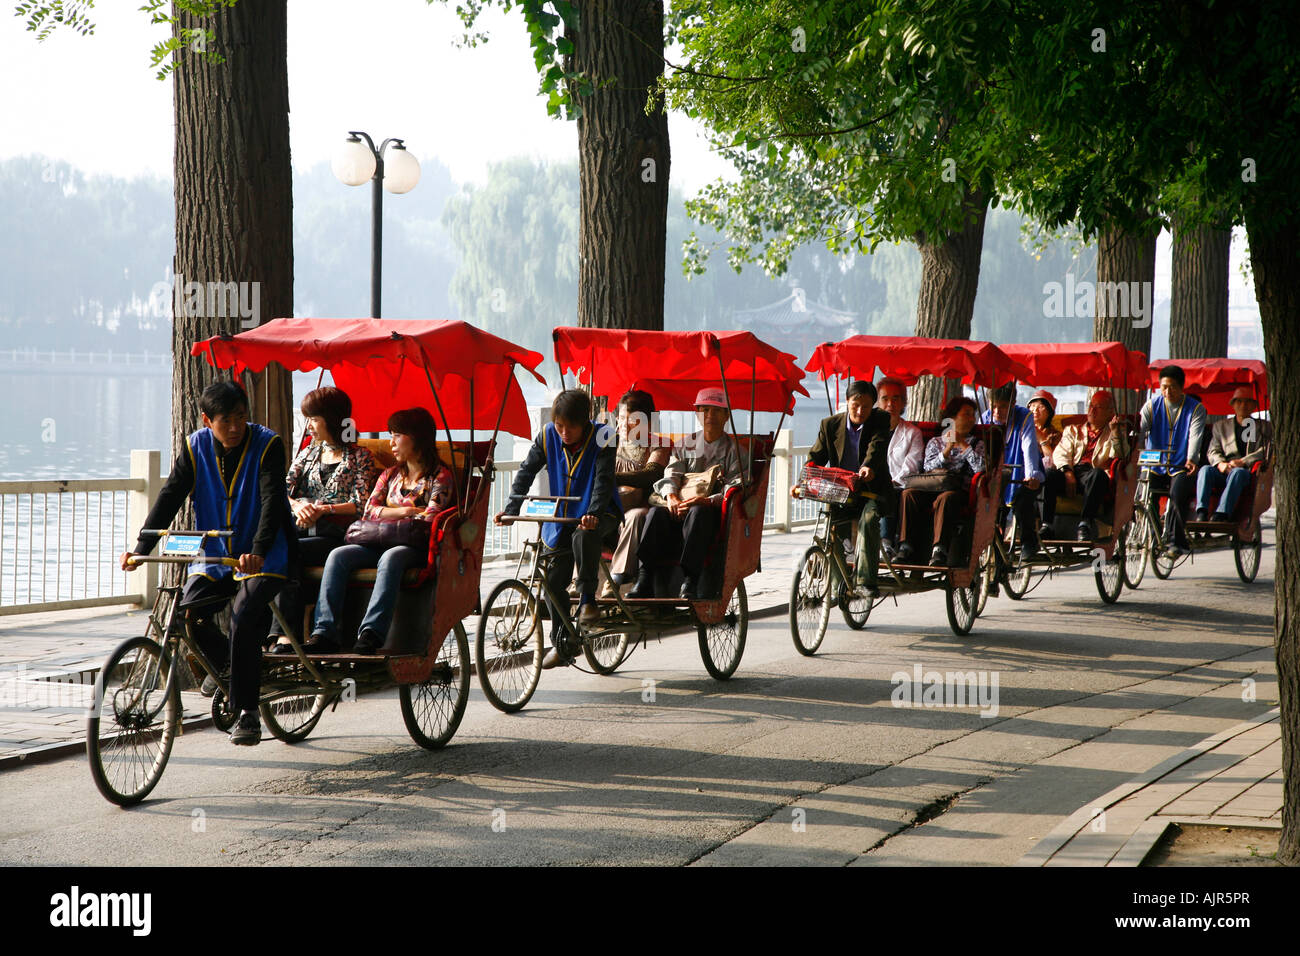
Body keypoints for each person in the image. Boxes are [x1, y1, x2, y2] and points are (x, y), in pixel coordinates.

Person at [119, 381, 293, 747]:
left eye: (241, 418)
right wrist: (140, 546)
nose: (235, 428)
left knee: (243, 615)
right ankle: (233, 673)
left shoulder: (268, 445)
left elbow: (272, 499)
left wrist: (259, 548)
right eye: (226, 421)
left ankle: (247, 713)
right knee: (186, 615)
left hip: (263, 553)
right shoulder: (195, 447)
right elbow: (170, 496)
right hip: (215, 554)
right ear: (206, 420)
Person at [305, 407, 452, 655]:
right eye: (390, 435)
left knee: (391, 557)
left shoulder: (440, 477)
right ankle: (324, 631)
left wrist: (390, 512)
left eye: (397, 435)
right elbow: (369, 510)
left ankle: (371, 633)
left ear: (417, 437)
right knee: (338, 556)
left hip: (411, 546)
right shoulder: (391, 474)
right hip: (377, 540)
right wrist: (405, 513)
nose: (391, 442)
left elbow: (430, 517)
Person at [496, 389, 620, 666]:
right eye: (560, 426)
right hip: (562, 516)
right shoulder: (546, 435)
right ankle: (564, 643)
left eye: (571, 427)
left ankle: (588, 599)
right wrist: (511, 509)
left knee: (584, 533)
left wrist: (593, 513)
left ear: (585, 421)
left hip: (601, 514)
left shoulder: (604, 436)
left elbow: (603, 481)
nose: (564, 432)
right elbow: (527, 471)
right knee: (551, 582)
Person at [269, 387, 379, 653]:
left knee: (288, 549)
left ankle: (285, 633)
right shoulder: (308, 454)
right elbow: (281, 491)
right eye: (308, 419)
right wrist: (296, 507)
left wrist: (324, 509)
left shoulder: (360, 457)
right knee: (270, 545)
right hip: (301, 529)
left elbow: (361, 503)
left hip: (336, 536)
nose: (309, 426)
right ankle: (269, 629)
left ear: (332, 419)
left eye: (314, 419)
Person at [633, 386, 744, 600]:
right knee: (655, 513)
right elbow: (672, 472)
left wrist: (706, 500)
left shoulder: (735, 451)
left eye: (716, 410)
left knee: (698, 513)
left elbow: (735, 486)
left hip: (709, 513)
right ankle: (644, 578)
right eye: (704, 410)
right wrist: (672, 497)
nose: (709, 415)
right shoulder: (685, 444)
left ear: (726, 415)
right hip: (680, 506)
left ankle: (690, 580)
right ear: (697, 413)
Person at [805, 380, 892, 596]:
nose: (860, 411)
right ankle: (837, 586)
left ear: (873, 405)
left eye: (866, 406)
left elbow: (877, 447)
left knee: (870, 520)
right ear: (847, 402)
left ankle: (866, 581)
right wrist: (804, 480)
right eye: (855, 405)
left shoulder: (880, 419)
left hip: (872, 489)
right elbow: (815, 458)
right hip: (842, 492)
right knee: (832, 528)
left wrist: (867, 467)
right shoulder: (830, 424)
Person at [898, 396, 985, 566]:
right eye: (966, 414)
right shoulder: (936, 442)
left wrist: (963, 445)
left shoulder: (977, 444)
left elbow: (981, 469)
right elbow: (927, 468)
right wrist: (947, 450)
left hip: (958, 491)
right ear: (952, 418)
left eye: (972, 415)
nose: (971, 419)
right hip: (931, 487)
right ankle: (905, 546)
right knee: (908, 494)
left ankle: (939, 549)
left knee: (946, 498)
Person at [1139, 364, 1206, 557]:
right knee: (1145, 492)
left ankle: (1174, 541)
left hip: (1180, 464)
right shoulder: (1151, 405)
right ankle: (1152, 534)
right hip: (1154, 463)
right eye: (1163, 387)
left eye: (1172, 387)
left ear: (1182, 386)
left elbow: (1195, 436)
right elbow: (1142, 430)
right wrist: (1136, 449)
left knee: (1177, 494)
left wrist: (1192, 458)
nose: (1167, 391)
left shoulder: (1195, 409)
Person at [607, 389, 670, 592]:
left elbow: (650, 475)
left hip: (643, 508)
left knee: (635, 516)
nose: (625, 424)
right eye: (622, 417)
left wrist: (612, 478)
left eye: (633, 419)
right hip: (609, 507)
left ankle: (616, 579)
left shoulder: (658, 445)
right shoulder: (610, 443)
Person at [1053, 389, 1131, 540]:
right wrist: (1067, 472)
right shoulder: (1073, 430)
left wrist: (1115, 433)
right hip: (1072, 470)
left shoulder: (1112, 432)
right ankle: (1047, 525)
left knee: (1097, 475)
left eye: (1098, 407)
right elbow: (1060, 453)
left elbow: (1121, 455)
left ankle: (1085, 522)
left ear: (1110, 413)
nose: (1092, 410)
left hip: (1093, 475)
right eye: (1091, 406)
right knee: (1049, 475)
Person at [985, 383, 1044, 560]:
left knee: (1021, 503)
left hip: (1023, 473)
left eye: (1002, 406)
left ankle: (1028, 543)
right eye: (993, 406)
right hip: (997, 476)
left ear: (1013, 404)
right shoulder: (985, 418)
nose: (997, 411)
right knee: (992, 510)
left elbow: (1029, 447)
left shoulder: (1024, 417)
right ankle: (996, 559)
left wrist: (1031, 474)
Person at [1195, 387, 1272, 522]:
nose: (1243, 405)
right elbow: (1213, 450)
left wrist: (1243, 461)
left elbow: (1265, 450)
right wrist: (1220, 464)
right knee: (1205, 470)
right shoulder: (1221, 426)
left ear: (1254, 405)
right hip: (1224, 469)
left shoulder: (1262, 426)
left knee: (1238, 473)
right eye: (1239, 402)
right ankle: (1202, 511)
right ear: (1233, 404)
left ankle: (1222, 513)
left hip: (1245, 471)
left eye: (1248, 402)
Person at [877, 377, 924, 556]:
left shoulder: (912, 433)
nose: (890, 403)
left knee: (887, 492)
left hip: (899, 485)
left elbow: (911, 466)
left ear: (903, 402)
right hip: (869, 484)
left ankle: (886, 543)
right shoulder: (869, 430)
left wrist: (891, 483)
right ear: (878, 401)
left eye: (896, 399)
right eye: (885, 398)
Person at [1027, 389, 1063, 541]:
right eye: (1032, 406)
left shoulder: (1055, 435)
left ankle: (1047, 524)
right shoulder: (1023, 433)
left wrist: (1042, 439)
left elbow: (1054, 462)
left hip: (1050, 475)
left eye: (1040, 407)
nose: (1035, 410)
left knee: (1047, 474)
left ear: (1049, 413)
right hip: (1028, 474)